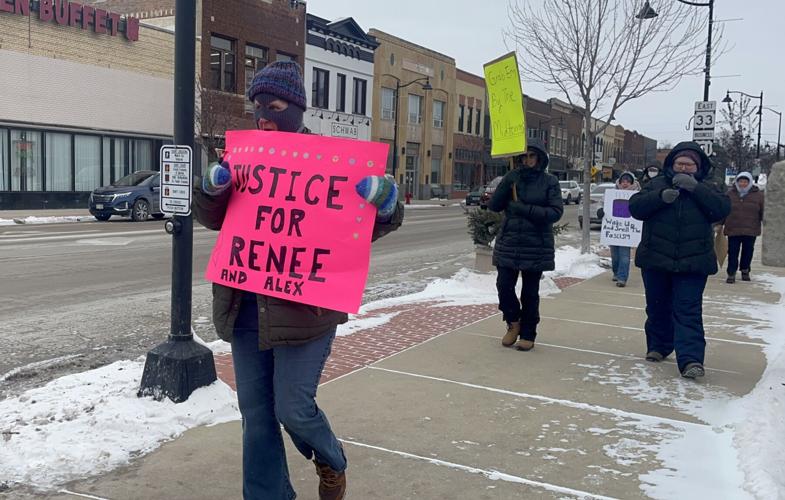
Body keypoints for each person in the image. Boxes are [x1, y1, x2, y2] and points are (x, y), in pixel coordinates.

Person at [193, 61, 403, 500]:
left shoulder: (331, 162)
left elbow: (366, 226)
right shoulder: (245, 156)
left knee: (293, 407)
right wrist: (213, 189)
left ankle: (331, 458)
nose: (263, 114)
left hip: (307, 311)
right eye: (256, 106)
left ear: (298, 109)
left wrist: (383, 203)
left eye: (274, 105)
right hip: (246, 307)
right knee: (256, 415)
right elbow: (214, 219)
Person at [629, 142, 730, 379]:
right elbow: (636, 208)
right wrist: (660, 197)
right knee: (657, 306)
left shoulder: (709, 186)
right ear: (671, 165)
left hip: (693, 262)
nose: (684, 168)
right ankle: (658, 346)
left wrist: (696, 189)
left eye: (689, 165)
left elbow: (722, 209)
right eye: (679, 164)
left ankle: (691, 359)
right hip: (656, 258)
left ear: (698, 167)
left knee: (688, 310)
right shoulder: (656, 184)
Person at [488, 138, 564, 351]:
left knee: (530, 292)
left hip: (536, 244)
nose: (528, 160)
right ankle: (512, 322)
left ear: (539, 158)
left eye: (532, 155)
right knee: (504, 286)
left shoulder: (549, 182)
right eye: (524, 156)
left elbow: (555, 212)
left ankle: (529, 332)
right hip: (510, 241)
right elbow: (494, 206)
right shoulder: (513, 178)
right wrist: (506, 183)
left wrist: (524, 209)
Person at [723, 171, 764, 283]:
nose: (743, 184)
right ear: (737, 182)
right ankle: (731, 273)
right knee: (732, 251)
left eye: (745, 181)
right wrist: (718, 223)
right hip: (733, 228)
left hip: (751, 229)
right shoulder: (729, 194)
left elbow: (763, 212)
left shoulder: (759, 195)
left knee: (748, 251)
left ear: (750, 182)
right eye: (740, 181)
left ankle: (745, 270)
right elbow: (723, 210)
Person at [610, 171, 641, 287]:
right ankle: (616, 272)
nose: (625, 184)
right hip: (614, 228)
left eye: (628, 181)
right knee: (614, 255)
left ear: (632, 183)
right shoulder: (612, 193)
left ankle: (622, 278)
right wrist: (601, 211)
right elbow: (604, 204)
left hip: (627, 230)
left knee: (624, 255)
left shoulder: (637, 195)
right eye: (623, 181)